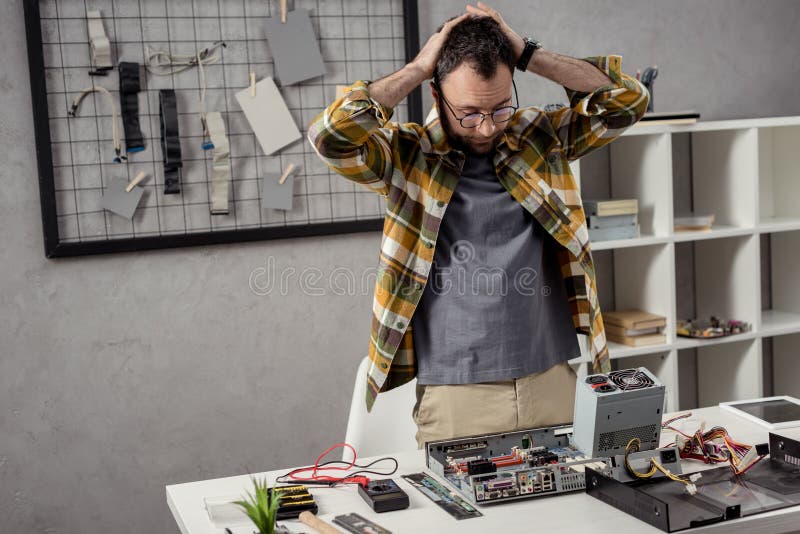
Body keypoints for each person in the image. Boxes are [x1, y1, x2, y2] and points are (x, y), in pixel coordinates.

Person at [308, 2, 648, 447]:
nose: (487, 128)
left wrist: (527, 53)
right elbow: (329, 137)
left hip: (551, 377)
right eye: (469, 113)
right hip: (457, 391)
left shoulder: (539, 138)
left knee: (570, 508)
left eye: (501, 109)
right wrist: (417, 68)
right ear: (436, 96)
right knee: (463, 515)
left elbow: (627, 100)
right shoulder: (407, 155)